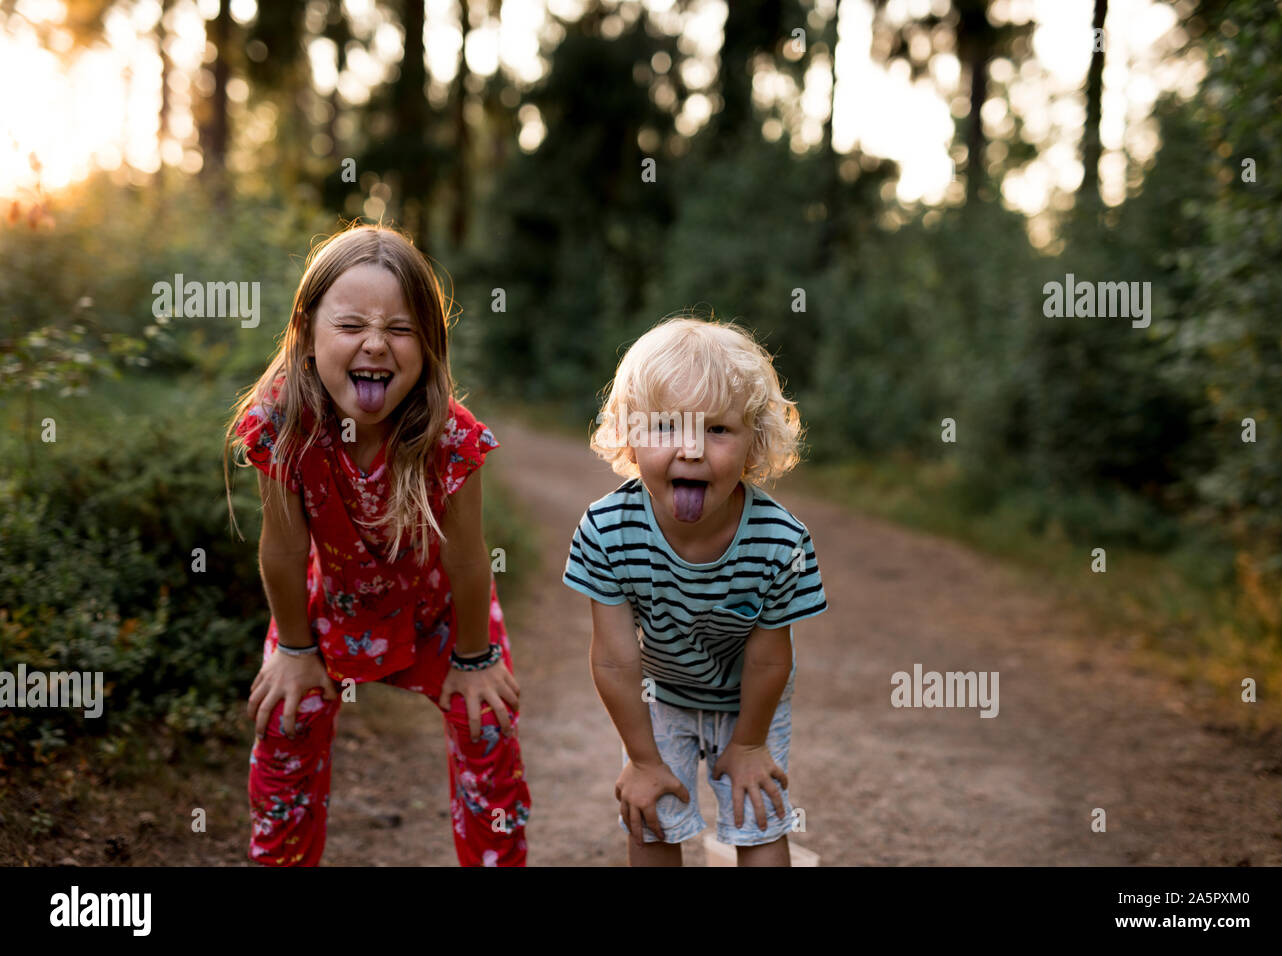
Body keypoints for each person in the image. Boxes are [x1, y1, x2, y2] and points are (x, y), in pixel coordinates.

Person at [223, 224, 529, 866]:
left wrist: (474, 662)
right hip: (324, 612)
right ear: (307, 333)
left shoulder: (450, 438)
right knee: (286, 717)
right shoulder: (282, 425)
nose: (375, 344)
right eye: (352, 325)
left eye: (400, 328)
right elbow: (281, 550)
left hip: (442, 614)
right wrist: (296, 649)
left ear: (429, 344)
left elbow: (470, 560)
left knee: (487, 723)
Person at [563, 315, 828, 866]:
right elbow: (614, 661)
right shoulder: (607, 531)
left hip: (748, 699)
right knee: (652, 816)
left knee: (758, 814)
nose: (690, 450)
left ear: (754, 443)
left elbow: (769, 658)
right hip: (661, 695)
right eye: (666, 427)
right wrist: (641, 759)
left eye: (717, 429)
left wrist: (750, 745)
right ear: (631, 437)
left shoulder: (780, 542)